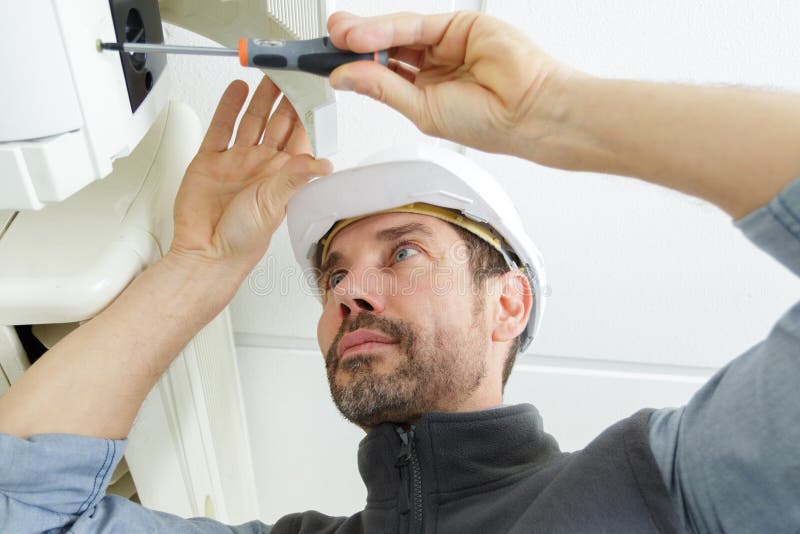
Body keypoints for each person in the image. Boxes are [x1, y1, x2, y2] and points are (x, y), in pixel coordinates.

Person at [1, 9, 799, 533]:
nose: (348, 290)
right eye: (333, 275)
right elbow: (25, 506)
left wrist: (555, 110)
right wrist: (196, 265)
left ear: (507, 304)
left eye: (403, 252)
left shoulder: (653, 490)